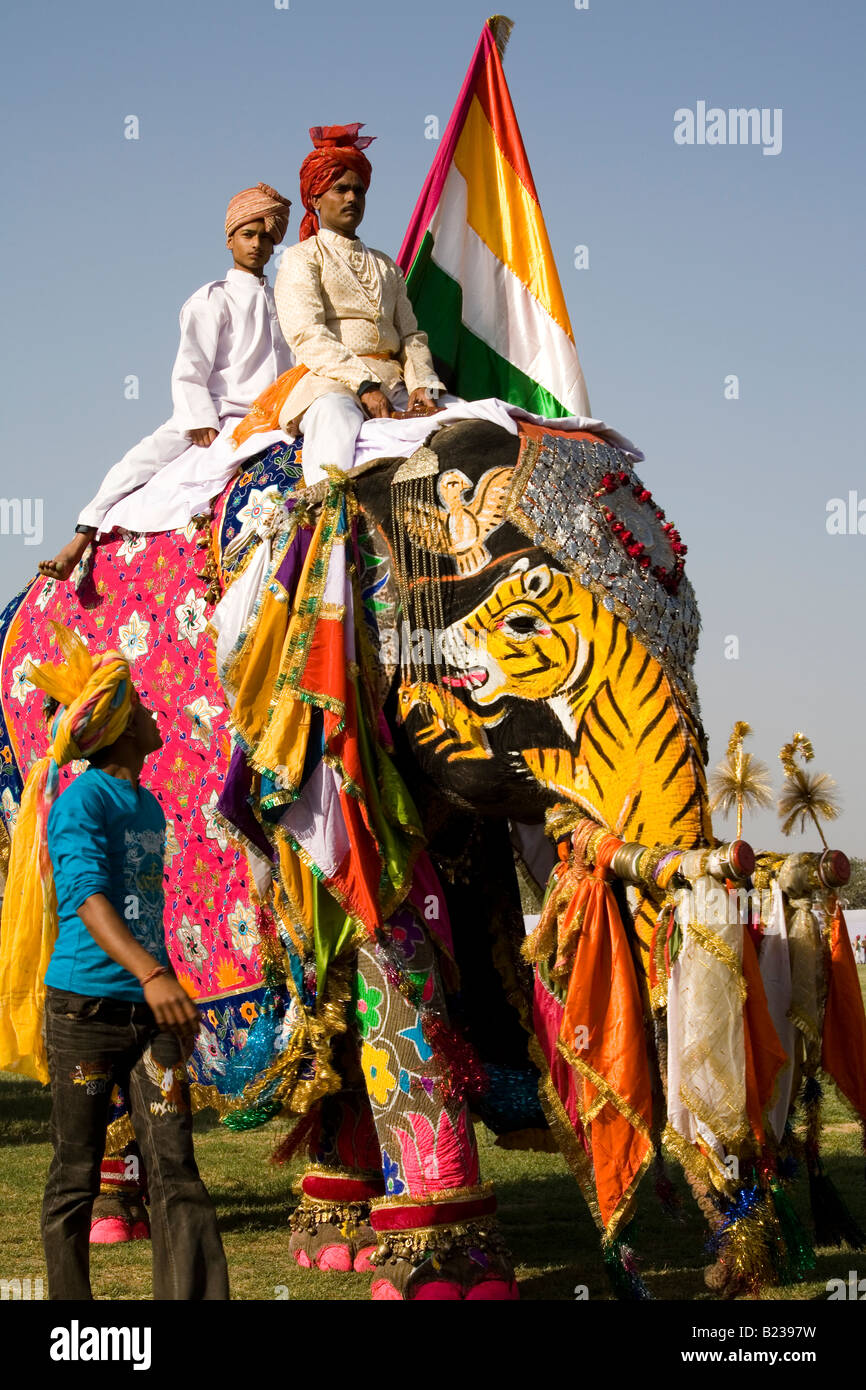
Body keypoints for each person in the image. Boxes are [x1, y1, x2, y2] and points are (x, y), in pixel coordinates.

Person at [0, 622, 229, 1299]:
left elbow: (138, 910)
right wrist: (153, 974)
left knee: (176, 1164)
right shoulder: (81, 802)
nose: (157, 714)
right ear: (122, 725)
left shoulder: (145, 803)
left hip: (146, 1013)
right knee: (76, 1173)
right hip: (86, 1012)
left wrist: (165, 984)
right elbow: (89, 901)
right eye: (144, 706)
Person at [39, 182, 294, 580]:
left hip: (272, 415)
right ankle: (81, 536)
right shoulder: (212, 299)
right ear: (230, 239)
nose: (257, 244)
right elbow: (190, 368)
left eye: (266, 236)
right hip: (216, 411)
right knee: (140, 462)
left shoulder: (284, 302)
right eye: (248, 234)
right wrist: (200, 418)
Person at [273, 124, 447, 486]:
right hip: (331, 384)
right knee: (335, 422)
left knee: (469, 423)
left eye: (359, 190)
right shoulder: (301, 258)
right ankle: (327, 526)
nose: (352, 197)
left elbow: (411, 335)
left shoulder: (386, 265)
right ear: (316, 199)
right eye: (341, 189)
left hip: (395, 385)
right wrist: (364, 385)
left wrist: (423, 385)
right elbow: (307, 335)